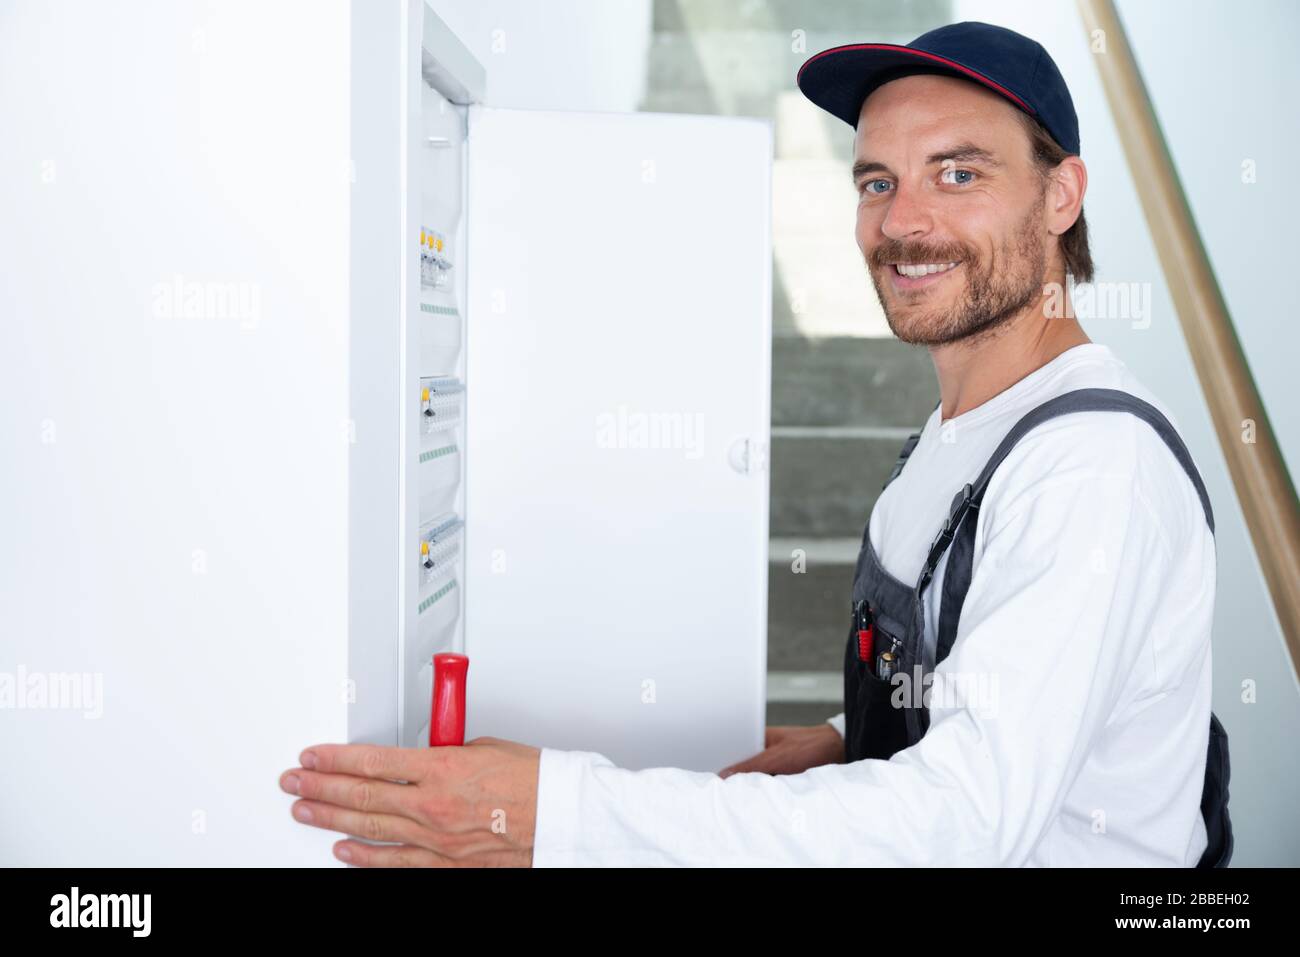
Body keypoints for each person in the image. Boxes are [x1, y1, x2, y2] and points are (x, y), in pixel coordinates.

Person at [277, 21, 1228, 867]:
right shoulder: (955, 437)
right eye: (876, 181)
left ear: (1062, 194)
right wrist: (848, 735)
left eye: (960, 173)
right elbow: (994, 689)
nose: (903, 221)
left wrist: (553, 818)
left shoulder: (1093, 468)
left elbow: (964, 824)